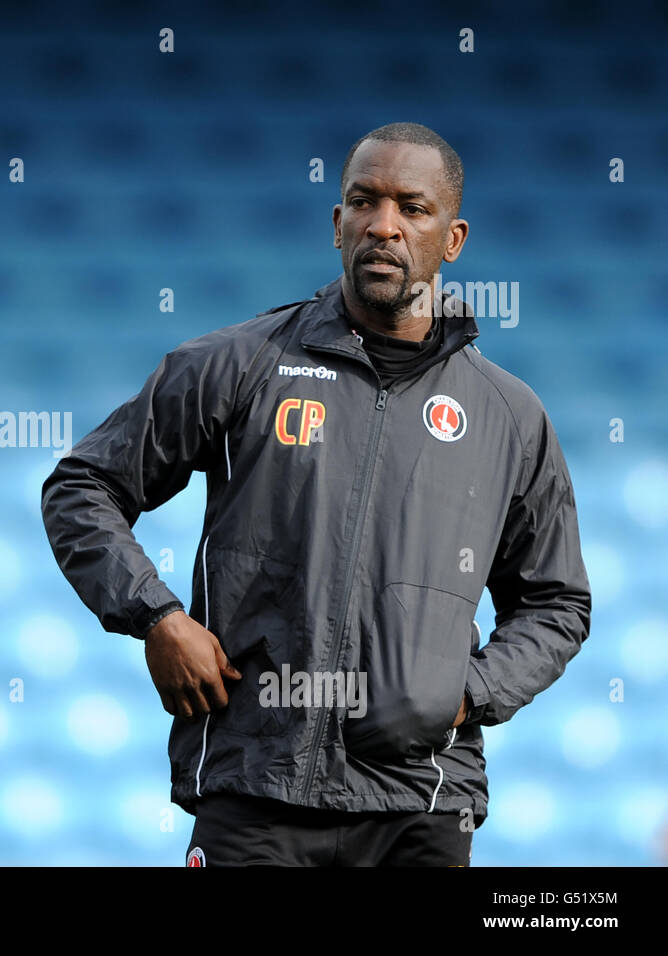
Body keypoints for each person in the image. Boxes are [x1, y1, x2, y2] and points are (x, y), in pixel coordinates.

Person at [40, 122, 591, 866]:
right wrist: (157, 617)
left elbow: (556, 602)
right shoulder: (238, 364)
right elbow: (83, 485)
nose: (383, 225)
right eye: (363, 201)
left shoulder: (510, 417)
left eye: (412, 207)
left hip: (421, 802)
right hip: (255, 788)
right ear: (338, 225)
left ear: (453, 238)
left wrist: (468, 694)